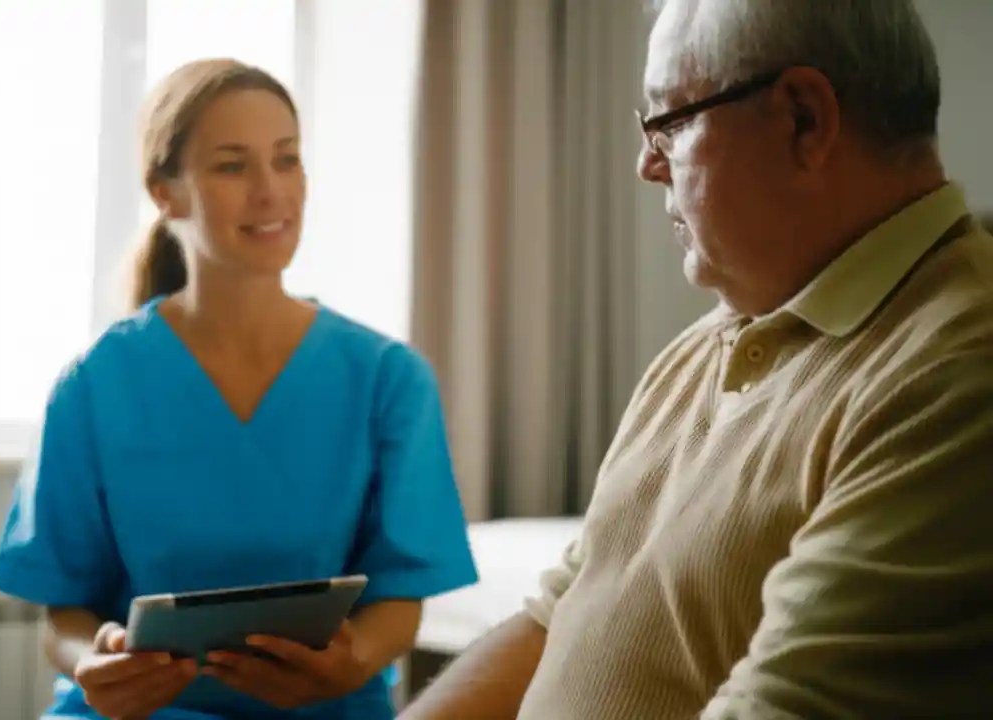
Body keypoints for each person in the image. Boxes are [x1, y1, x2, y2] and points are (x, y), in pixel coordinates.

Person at [401, 1, 993, 718]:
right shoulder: (704, 346)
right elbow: (556, 617)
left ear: (803, 119)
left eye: (671, 123)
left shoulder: (954, 369)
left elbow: (786, 707)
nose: (647, 164)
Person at [0, 58, 477, 720]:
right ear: (166, 192)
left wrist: (350, 661)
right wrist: (92, 662)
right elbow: (63, 615)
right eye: (232, 165)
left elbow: (400, 601)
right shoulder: (94, 385)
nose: (271, 191)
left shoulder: (389, 379)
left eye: (287, 159)